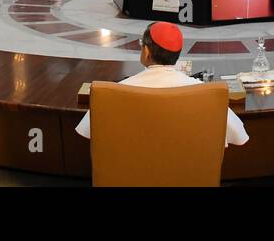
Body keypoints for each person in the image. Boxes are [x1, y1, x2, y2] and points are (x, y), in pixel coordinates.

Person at [73, 22, 249, 147]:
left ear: (147, 51)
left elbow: (86, 131)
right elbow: (239, 137)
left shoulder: (113, 92)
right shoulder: (206, 93)